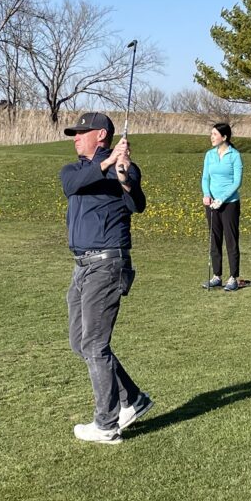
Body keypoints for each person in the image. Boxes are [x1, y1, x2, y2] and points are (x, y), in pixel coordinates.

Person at [60, 112, 153, 444]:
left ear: (101, 134)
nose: (75, 137)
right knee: (79, 342)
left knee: (95, 344)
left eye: (81, 133)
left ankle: (106, 424)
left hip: (107, 263)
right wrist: (107, 162)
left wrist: (125, 176)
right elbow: (73, 185)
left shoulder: (122, 167)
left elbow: (136, 203)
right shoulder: (75, 171)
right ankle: (134, 399)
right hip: (81, 266)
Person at [201, 122, 244, 292]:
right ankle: (216, 276)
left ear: (224, 137)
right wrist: (206, 194)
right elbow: (205, 178)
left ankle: (233, 277)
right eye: (211, 134)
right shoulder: (209, 155)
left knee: (231, 241)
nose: (211, 137)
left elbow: (237, 182)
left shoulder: (235, 155)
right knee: (214, 239)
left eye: (214, 134)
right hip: (211, 204)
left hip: (229, 204)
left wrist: (222, 198)